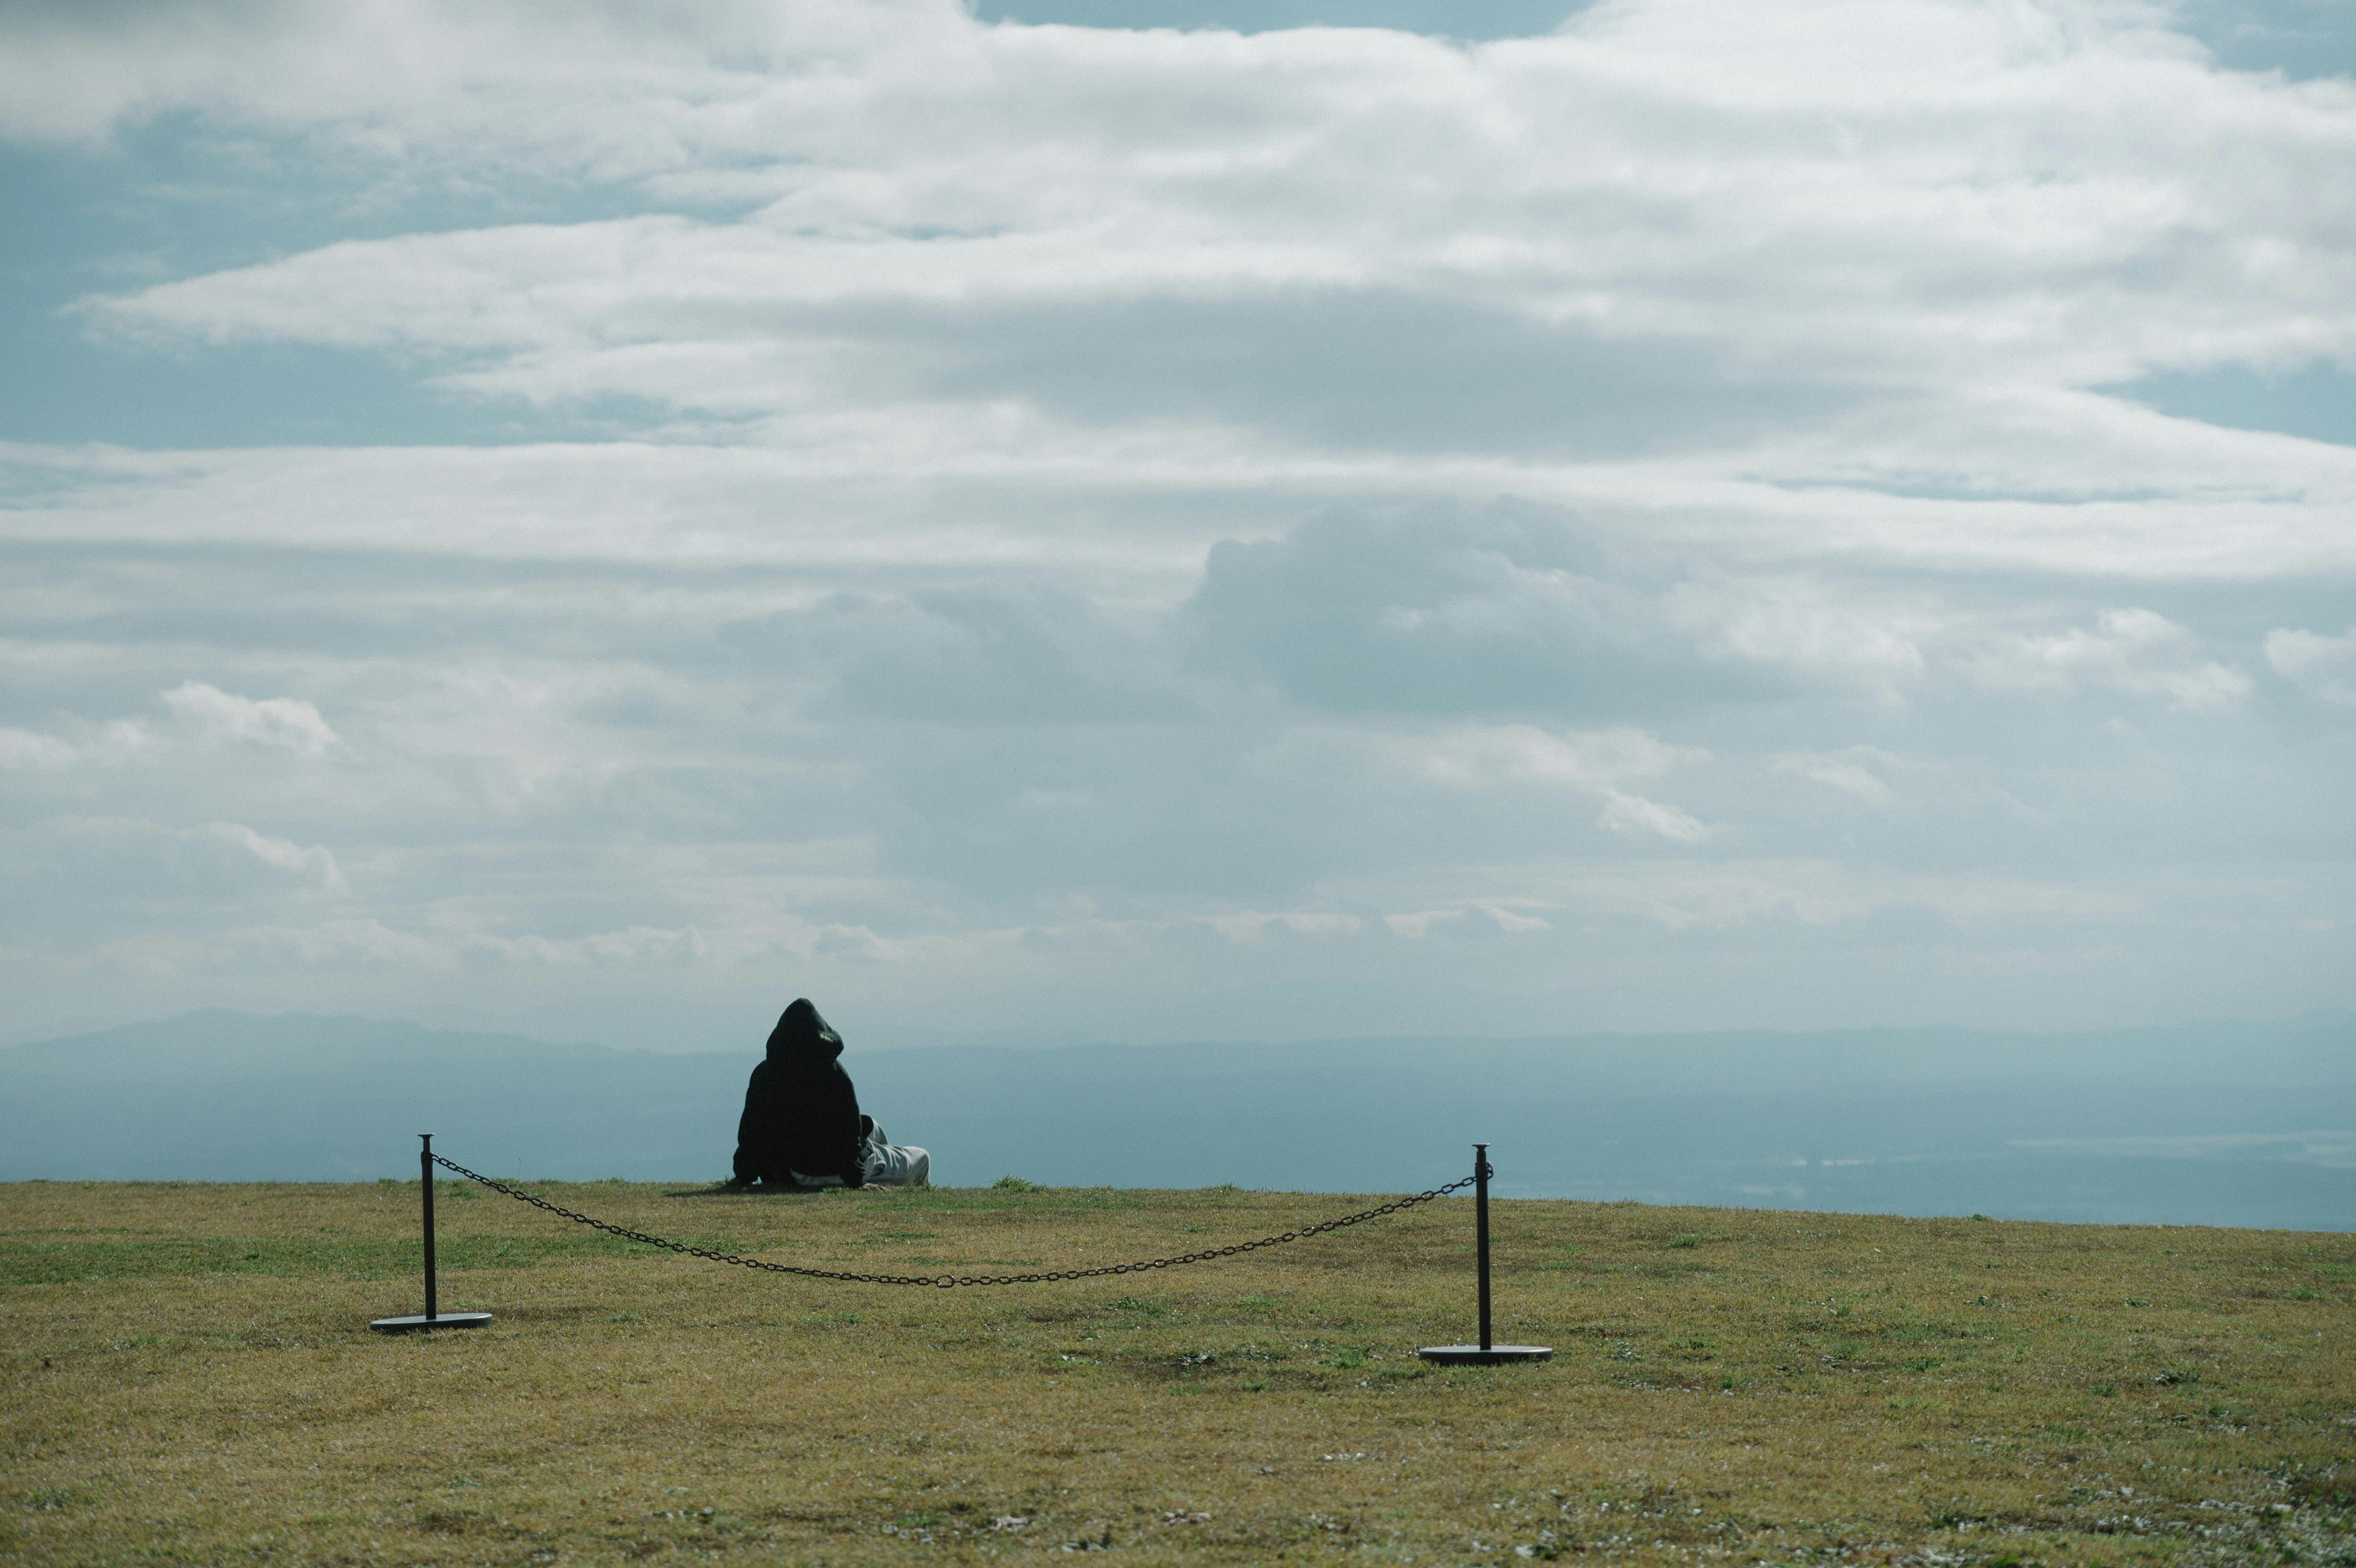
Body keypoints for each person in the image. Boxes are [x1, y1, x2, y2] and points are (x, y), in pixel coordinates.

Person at [728, 999, 929, 1189]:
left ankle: (879, 1170)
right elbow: (847, 1132)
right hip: (835, 1172)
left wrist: (744, 1175)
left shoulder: (764, 1075)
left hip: (792, 1170)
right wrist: (856, 1180)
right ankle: (883, 1182)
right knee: (922, 1157)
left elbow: (752, 1132)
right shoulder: (833, 1073)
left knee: (873, 1126)